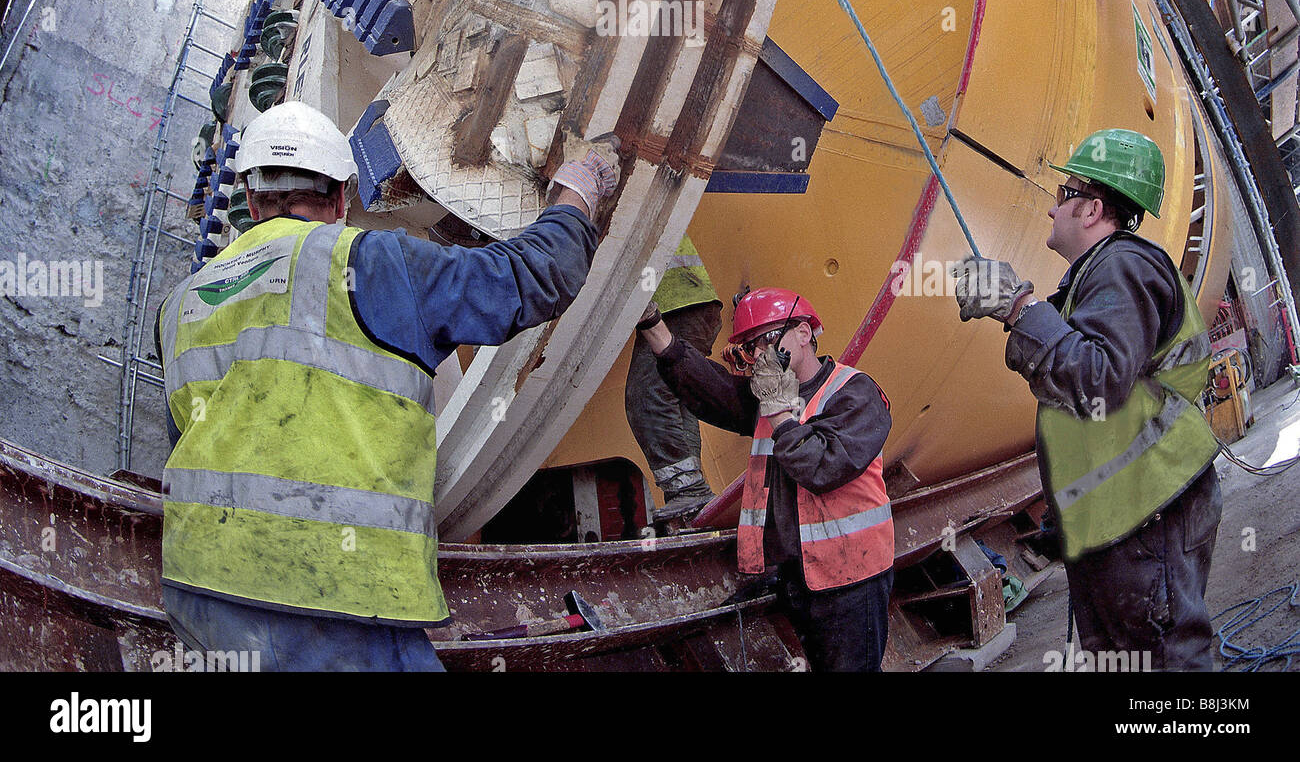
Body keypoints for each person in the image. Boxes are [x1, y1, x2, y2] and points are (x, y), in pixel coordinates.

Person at [156, 101, 616, 671]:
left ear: (251, 202)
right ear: (342, 199)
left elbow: (194, 441)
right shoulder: (371, 263)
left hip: (195, 588)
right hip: (326, 596)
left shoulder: (179, 307)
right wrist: (577, 191)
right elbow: (531, 277)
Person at [951, 128, 1222, 671]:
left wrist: (1018, 308)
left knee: (1165, 659)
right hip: (1129, 510)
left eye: (1062, 195)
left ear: (1093, 207)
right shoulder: (1099, 277)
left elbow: (1098, 379)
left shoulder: (1122, 265)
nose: (1052, 210)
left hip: (1146, 509)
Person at [639, 287, 894, 671]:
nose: (760, 355)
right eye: (751, 348)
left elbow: (821, 467)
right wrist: (652, 325)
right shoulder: (765, 398)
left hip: (852, 579)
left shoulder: (853, 393)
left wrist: (778, 411)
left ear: (805, 333)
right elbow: (710, 387)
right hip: (798, 578)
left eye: (767, 340)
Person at [624, 235, 724, 525]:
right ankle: (691, 500)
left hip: (676, 303)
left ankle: (689, 490)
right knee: (679, 402)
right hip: (693, 300)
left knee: (645, 397)